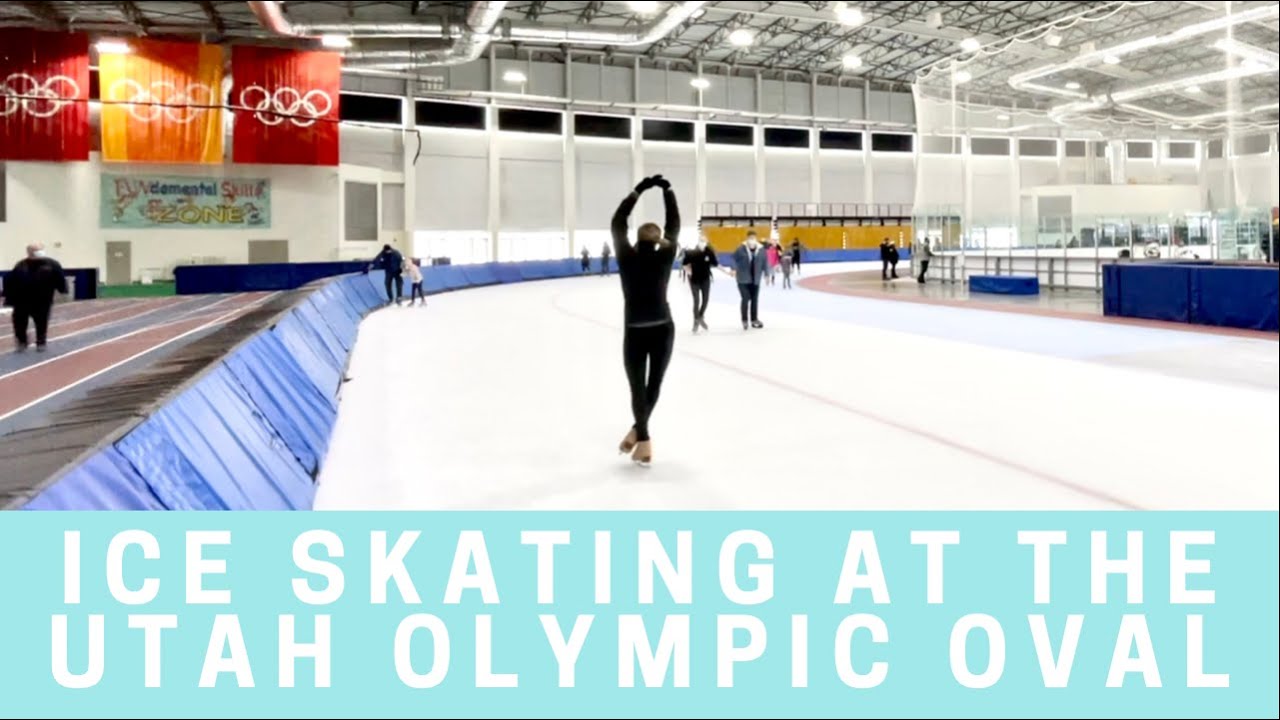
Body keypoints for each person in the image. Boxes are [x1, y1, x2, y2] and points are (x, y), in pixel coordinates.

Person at [611, 174, 680, 466]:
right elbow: (674, 223)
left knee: (637, 388)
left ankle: (642, 436)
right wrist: (668, 190)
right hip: (663, 327)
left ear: (637, 238)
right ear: (658, 238)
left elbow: (618, 222)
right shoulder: (666, 253)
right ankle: (641, 436)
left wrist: (639, 190)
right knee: (654, 385)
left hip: (635, 330)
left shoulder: (626, 256)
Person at [4, 243, 68, 352]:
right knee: (19, 322)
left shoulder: (52, 264)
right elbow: (11, 282)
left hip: (43, 299)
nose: (38, 252)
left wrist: (62, 289)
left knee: (41, 322)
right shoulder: (21, 265)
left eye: (39, 249)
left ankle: (41, 341)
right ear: (28, 252)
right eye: (34, 250)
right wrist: (9, 298)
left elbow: (60, 278)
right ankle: (22, 342)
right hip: (22, 300)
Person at [731, 231, 768, 330]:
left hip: (755, 279)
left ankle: (754, 319)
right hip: (743, 279)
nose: (752, 240)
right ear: (747, 239)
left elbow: (765, 262)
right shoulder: (741, 249)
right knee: (746, 298)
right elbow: (733, 259)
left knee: (755, 300)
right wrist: (734, 269)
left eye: (753, 238)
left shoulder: (761, 250)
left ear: (756, 238)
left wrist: (767, 275)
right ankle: (744, 320)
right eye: (750, 238)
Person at [682, 235, 719, 333]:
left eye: (704, 241)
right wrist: (689, 271)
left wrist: (728, 272)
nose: (702, 242)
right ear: (698, 242)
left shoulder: (709, 252)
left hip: (705, 279)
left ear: (707, 242)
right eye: (700, 240)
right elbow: (684, 264)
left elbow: (716, 264)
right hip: (694, 280)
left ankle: (700, 316)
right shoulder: (691, 253)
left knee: (705, 299)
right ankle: (696, 321)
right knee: (696, 301)